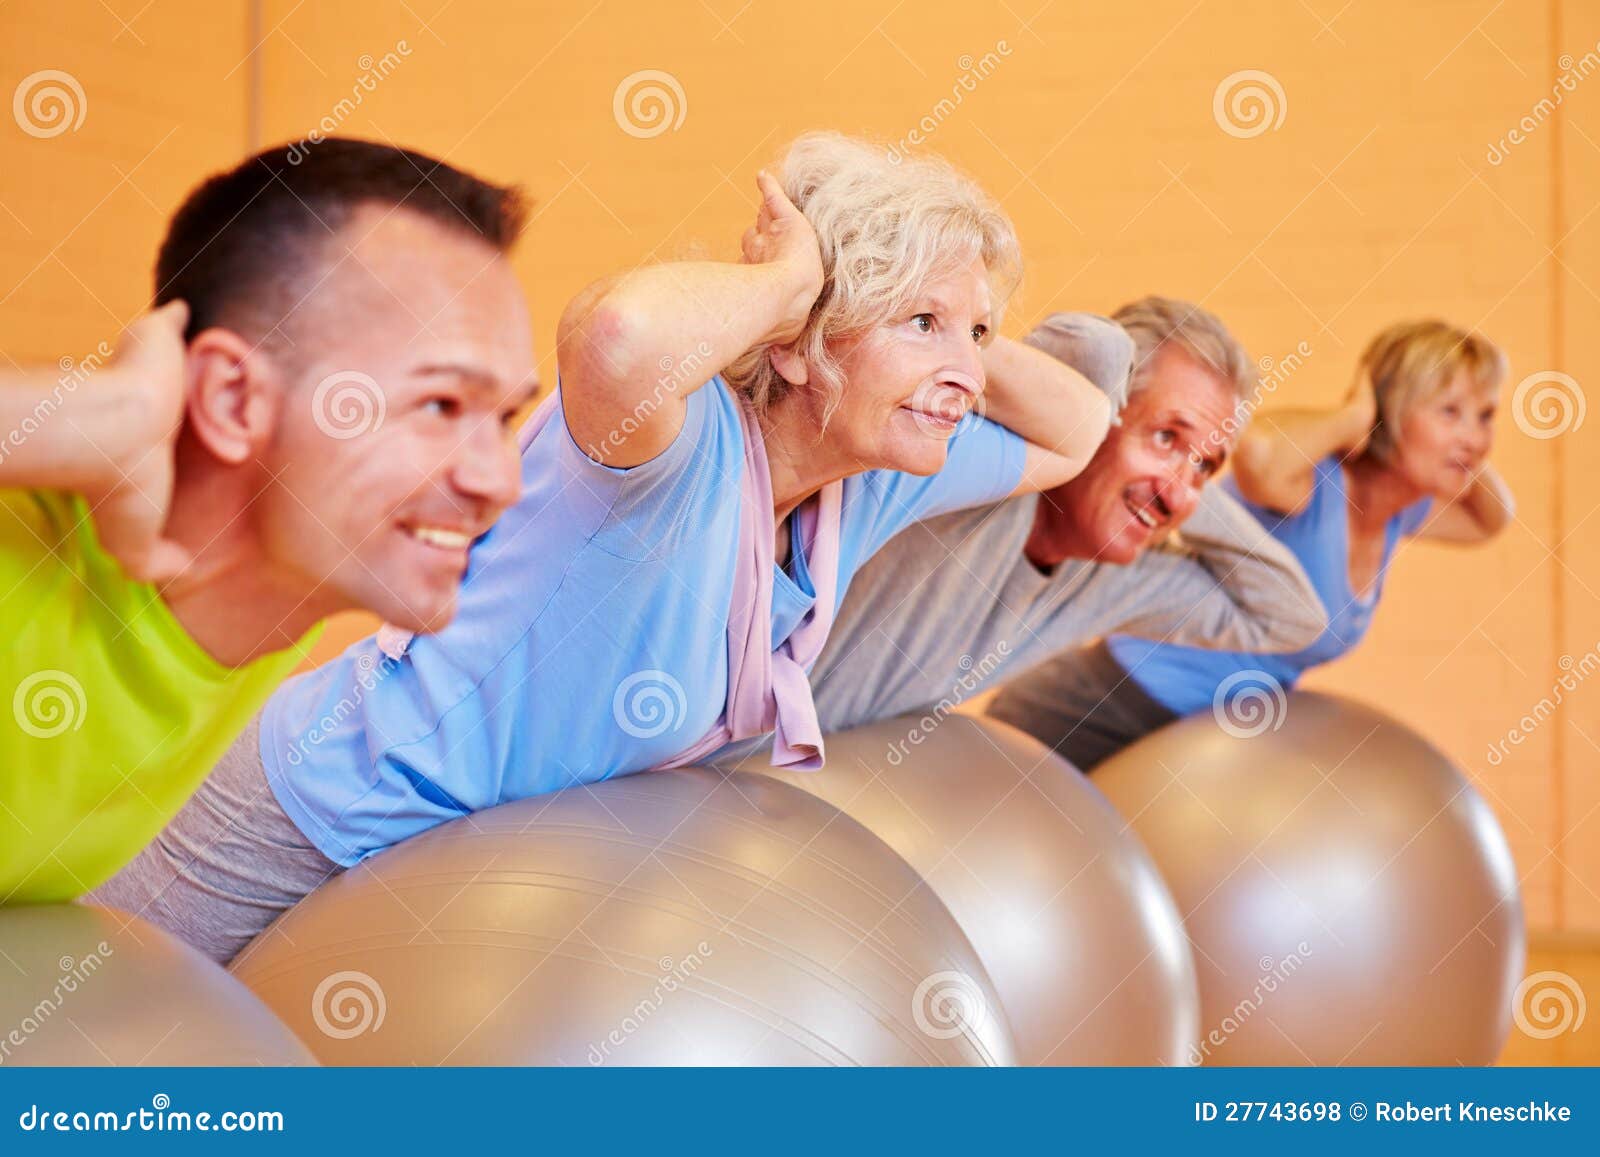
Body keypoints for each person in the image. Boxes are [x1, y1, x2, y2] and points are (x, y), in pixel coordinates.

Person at [93, 132, 1113, 963]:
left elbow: (1076, 430)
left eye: (978, 335)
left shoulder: (874, 475)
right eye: (920, 323)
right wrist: (801, 277)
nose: (964, 372)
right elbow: (616, 335)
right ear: (802, 342)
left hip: (471, 896)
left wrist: (948, 322)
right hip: (308, 820)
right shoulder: (674, 446)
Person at [1, 138, 538, 904]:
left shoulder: (277, 595)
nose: (499, 480)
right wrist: (100, 412)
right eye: (441, 404)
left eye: (505, 416)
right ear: (231, 400)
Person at [711, 296, 1328, 767]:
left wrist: (1185, 474)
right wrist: (1100, 436)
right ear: (1101, 415)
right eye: (1164, 435)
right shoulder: (972, 469)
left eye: (1205, 468)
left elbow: (1291, 616)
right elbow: (1090, 349)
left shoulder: (1121, 577)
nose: (1178, 489)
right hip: (693, 754)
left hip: (779, 796)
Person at [989, 318, 1513, 768]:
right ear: (1390, 409)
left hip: (1209, 746)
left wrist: (1462, 448)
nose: (1474, 436)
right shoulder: (1311, 487)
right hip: (1108, 707)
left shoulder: (1403, 515)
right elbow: (1257, 451)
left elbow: (1495, 519)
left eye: (1485, 415)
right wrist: (1357, 416)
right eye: (1449, 412)